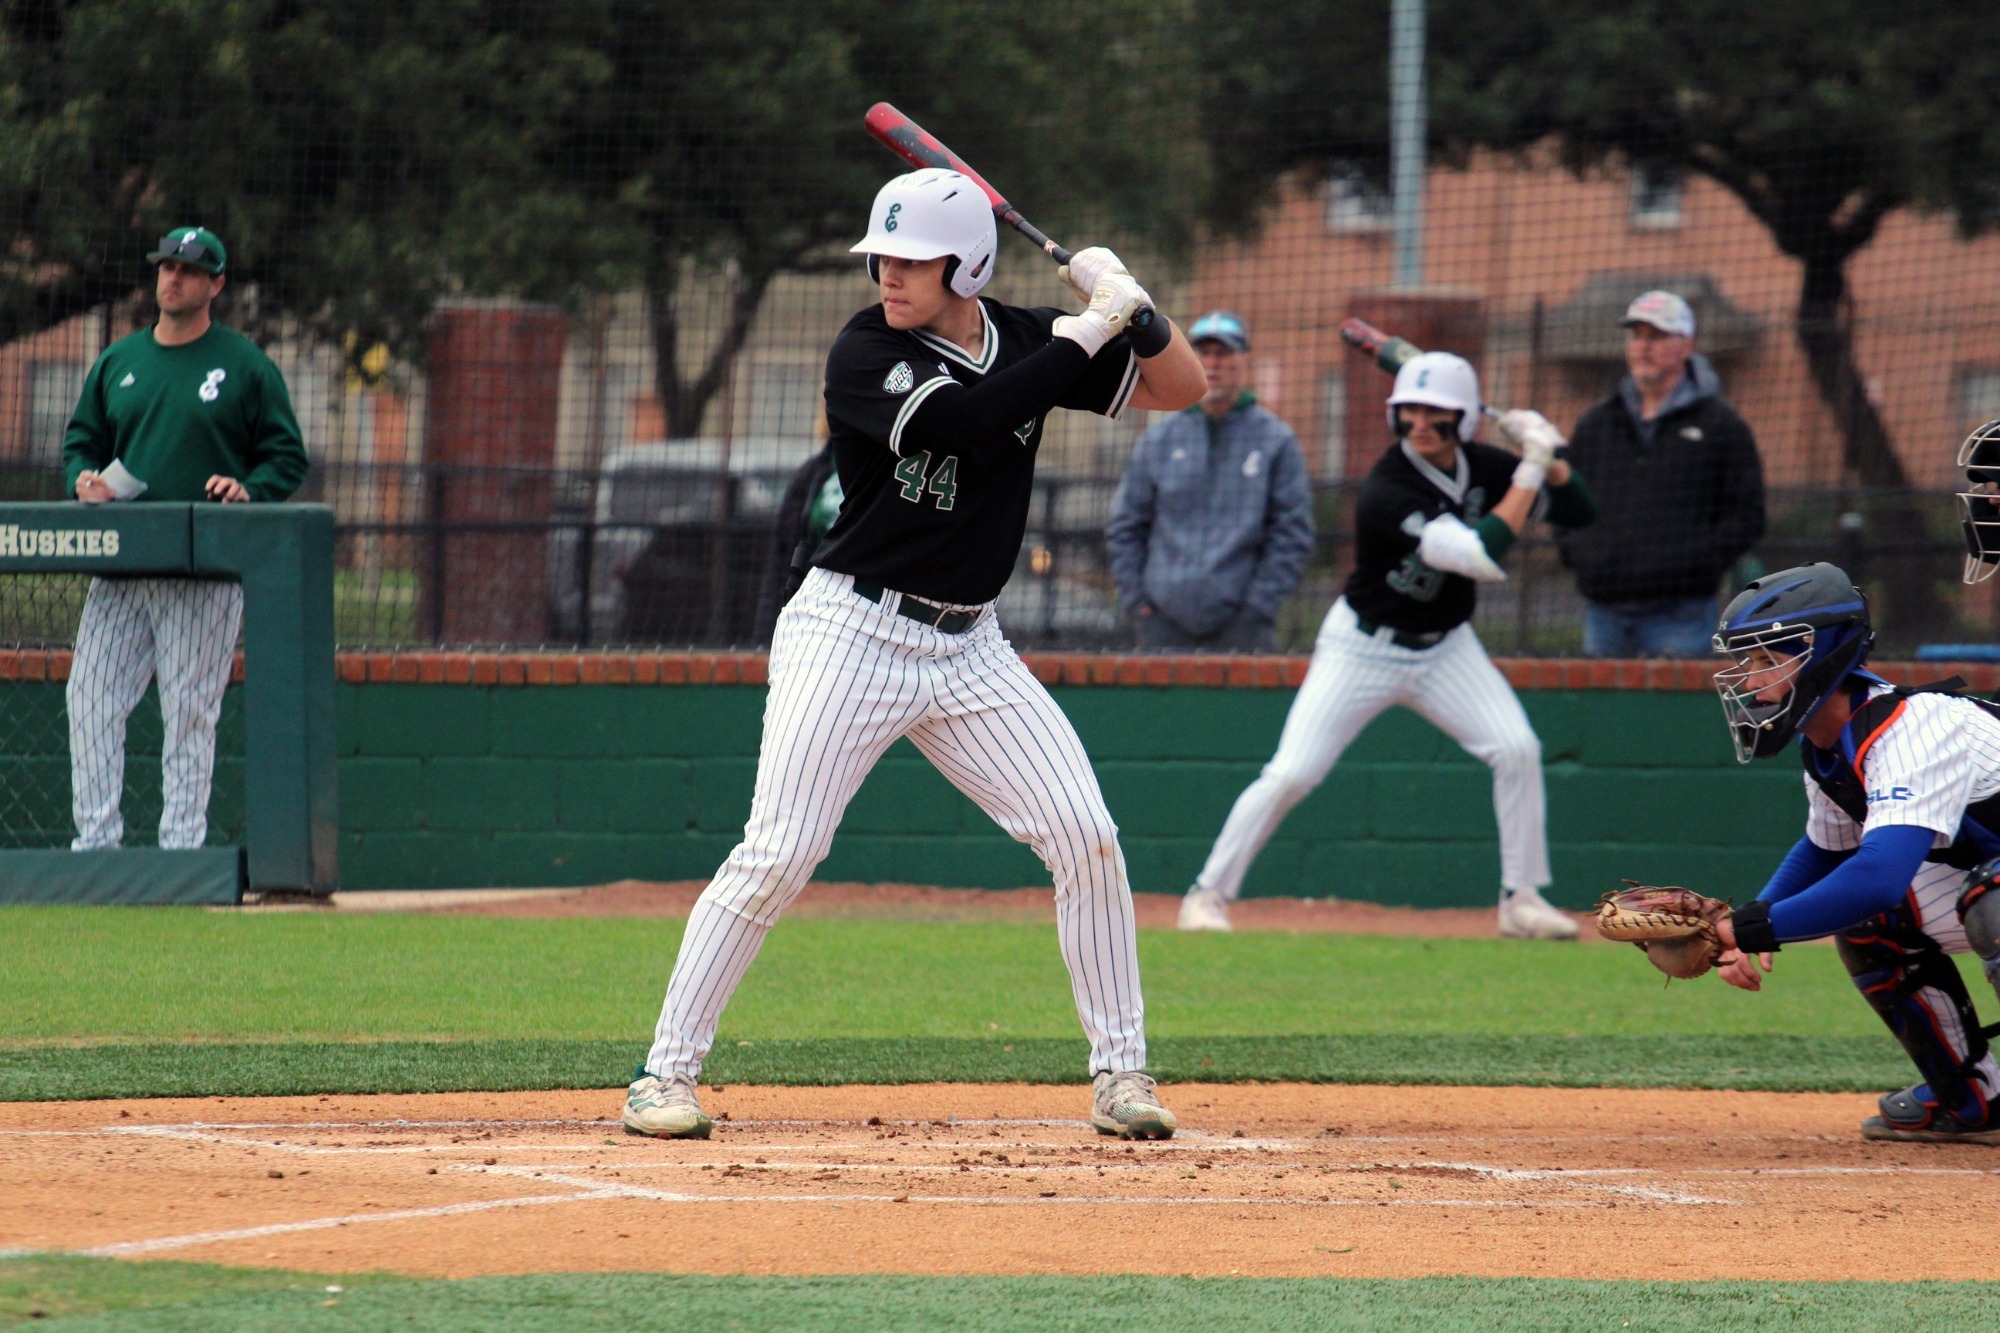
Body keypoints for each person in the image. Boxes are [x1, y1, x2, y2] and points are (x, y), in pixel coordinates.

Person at [624, 169, 1207, 1141]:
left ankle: (1121, 1073)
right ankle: (664, 1074)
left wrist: (1135, 309)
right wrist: (1091, 328)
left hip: (973, 646)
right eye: (882, 257)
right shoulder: (865, 350)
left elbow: (1182, 388)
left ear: (965, 265)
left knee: (1086, 834)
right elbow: (964, 425)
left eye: (911, 260)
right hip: (850, 631)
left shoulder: (1032, 336)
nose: (888, 275)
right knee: (780, 852)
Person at [1177, 352, 1595, 938]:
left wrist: (1550, 457)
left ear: (1465, 417)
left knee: (1517, 748)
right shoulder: (1387, 487)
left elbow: (1581, 510)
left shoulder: (1485, 465)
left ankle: (1521, 899)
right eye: (1409, 412)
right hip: (1362, 647)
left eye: (1435, 413)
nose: (1419, 425)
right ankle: (1206, 895)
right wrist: (1532, 468)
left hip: (1446, 646)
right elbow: (1476, 555)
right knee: (1292, 773)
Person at [1703, 561, 2000, 1144]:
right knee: (1870, 924)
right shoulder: (1831, 744)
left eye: (1767, 659)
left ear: (1823, 656)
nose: (1750, 678)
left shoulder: (1915, 727)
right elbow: (1827, 851)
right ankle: (1973, 1100)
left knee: (1993, 903)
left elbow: (1877, 876)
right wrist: (1747, 926)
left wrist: (1749, 929)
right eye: (1747, 661)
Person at [62, 226, 308, 851]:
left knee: (189, 713)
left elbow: (286, 456)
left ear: (216, 285)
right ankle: (96, 848)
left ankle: (181, 852)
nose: (174, 278)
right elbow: (82, 442)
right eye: (167, 267)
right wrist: (83, 480)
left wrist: (249, 488)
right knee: (88, 699)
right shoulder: (120, 361)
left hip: (204, 568)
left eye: (190, 270)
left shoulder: (246, 366)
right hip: (122, 564)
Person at [1555, 290, 1764, 657]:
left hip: (1682, 615)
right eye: (1637, 336)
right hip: (1603, 613)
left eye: (1657, 336)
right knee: (1600, 698)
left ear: (1686, 346)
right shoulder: (1597, 423)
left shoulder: (1721, 426)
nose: (1643, 346)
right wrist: (1584, 557)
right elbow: (1566, 499)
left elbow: (1746, 516)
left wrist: (1692, 568)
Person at [1105, 311, 1314, 651]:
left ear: (1244, 360)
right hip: (1161, 627)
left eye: (1224, 353)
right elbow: (1126, 527)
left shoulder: (1276, 441)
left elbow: (1291, 533)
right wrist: (1139, 605)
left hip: (1244, 630)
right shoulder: (1158, 440)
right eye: (1203, 352)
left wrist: (1258, 608)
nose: (1213, 363)